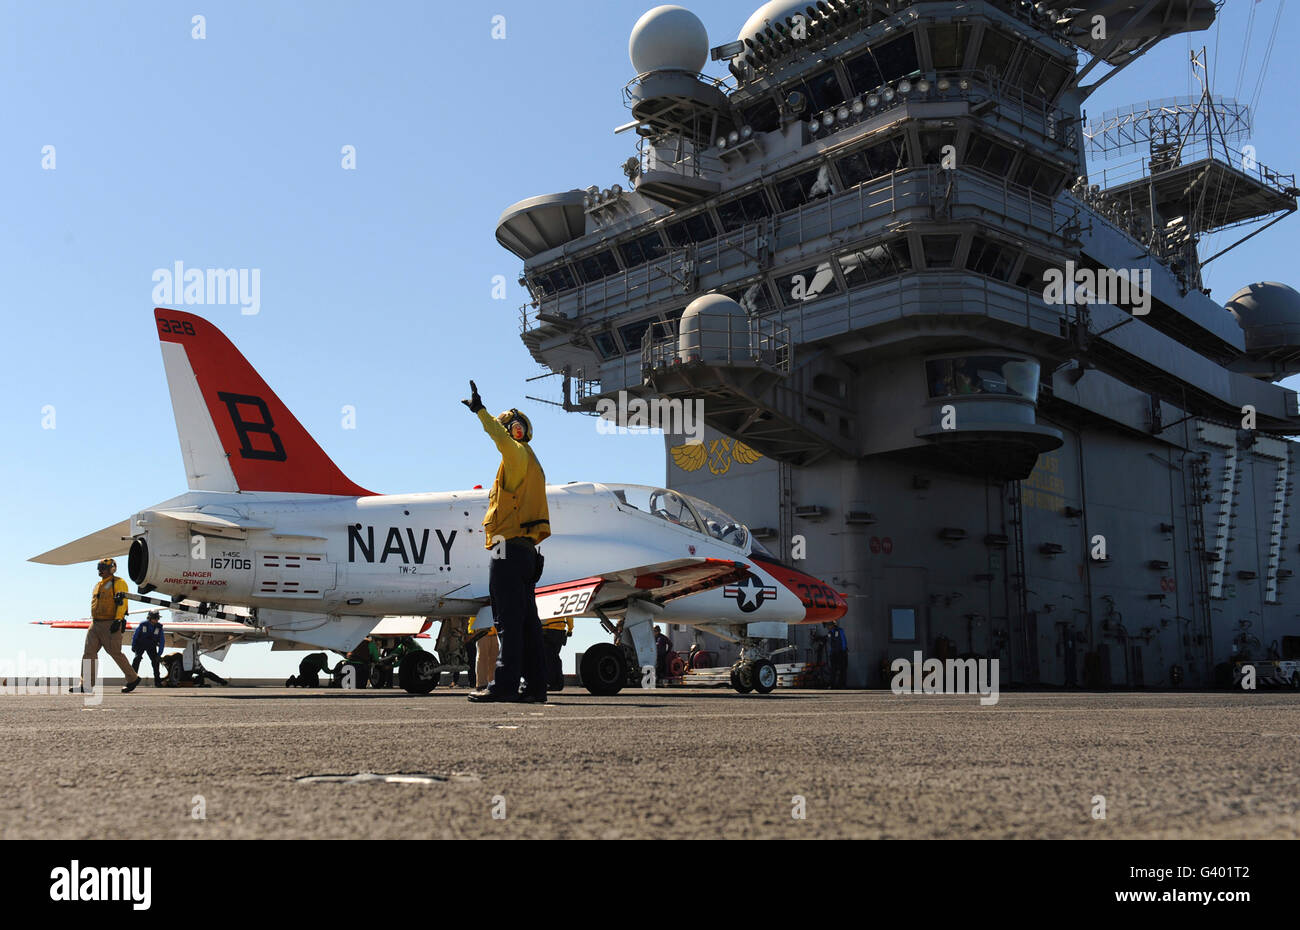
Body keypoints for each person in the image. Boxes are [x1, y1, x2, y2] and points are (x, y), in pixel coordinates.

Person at [462, 380, 550, 704]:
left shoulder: (515, 456)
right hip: (526, 552)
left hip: (506, 549)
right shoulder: (532, 460)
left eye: (504, 428)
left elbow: (498, 438)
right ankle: (536, 686)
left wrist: (480, 412)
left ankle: (505, 685)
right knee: (527, 622)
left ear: (513, 429)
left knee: (506, 621)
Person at [73, 558, 141, 694]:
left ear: (112, 568)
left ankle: (133, 678)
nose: (101, 570)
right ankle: (86, 684)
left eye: (104, 567)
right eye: (99, 567)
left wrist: (118, 619)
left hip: (110, 623)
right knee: (89, 652)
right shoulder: (98, 585)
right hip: (95, 623)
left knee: (115, 652)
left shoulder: (119, 583)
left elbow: (123, 602)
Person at [131, 610, 166, 687]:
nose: (156, 620)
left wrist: (159, 654)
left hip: (151, 646)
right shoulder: (143, 624)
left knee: (155, 662)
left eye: (157, 618)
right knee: (137, 659)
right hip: (141, 645)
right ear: (150, 618)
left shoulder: (159, 627)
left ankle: (157, 682)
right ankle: (132, 679)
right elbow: (135, 635)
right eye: (154, 618)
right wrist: (133, 645)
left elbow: (162, 640)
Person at [468, 612, 499, 690]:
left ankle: (492, 682)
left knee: (494, 658)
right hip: (482, 629)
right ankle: (481, 684)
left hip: (493, 631)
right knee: (482, 657)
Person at [541, 616, 573, 691]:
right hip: (559, 632)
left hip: (548, 631)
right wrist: (570, 629)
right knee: (554, 658)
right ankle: (557, 683)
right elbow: (569, 615)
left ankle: (553, 683)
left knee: (549, 658)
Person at [826, 620, 848, 689]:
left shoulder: (839, 631)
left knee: (842, 669)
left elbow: (843, 640)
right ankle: (832, 685)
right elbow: (830, 644)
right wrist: (830, 653)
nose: (827, 627)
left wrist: (844, 651)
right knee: (833, 670)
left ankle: (842, 685)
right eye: (827, 625)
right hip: (834, 654)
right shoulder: (829, 633)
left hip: (841, 653)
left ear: (832, 625)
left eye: (829, 625)